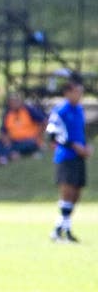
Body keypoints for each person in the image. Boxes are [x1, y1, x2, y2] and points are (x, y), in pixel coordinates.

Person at [47, 76, 91, 243]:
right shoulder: (60, 111)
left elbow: (80, 133)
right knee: (67, 192)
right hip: (66, 156)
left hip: (79, 157)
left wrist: (85, 147)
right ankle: (62, 231)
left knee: (76, 193)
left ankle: (61, 228)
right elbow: (52, 134)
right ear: (67, 93)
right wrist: (73, 146)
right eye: (77, 92)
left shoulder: (79, 109)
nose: (79, 95)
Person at [0, 92, 46, 165]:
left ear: (20, 101)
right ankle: (11, 154)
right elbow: (3, 131)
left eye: (16, 101)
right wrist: (5, 140)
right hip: (13, 141)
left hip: (28, 140)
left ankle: (7, 154)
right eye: (12, 101)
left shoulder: (28, 110)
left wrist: (39, 136)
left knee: (30, 144)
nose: (14, 103)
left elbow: (44, 121)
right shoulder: (7, 113)